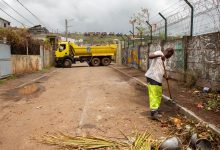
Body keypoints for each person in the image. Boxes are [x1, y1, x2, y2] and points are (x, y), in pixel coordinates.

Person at [145, 48, 174, 120]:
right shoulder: (159, 52)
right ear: (167, 52)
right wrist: (159, 55)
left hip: (158, 79)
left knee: (158, 94)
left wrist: (165, 76)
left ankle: (156, 109)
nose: (169, 57)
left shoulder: (164, 60)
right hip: (152, 77)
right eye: (170, 55)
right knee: (154, 95)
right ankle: (153, 113)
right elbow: (150, 56)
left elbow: (161, 70)